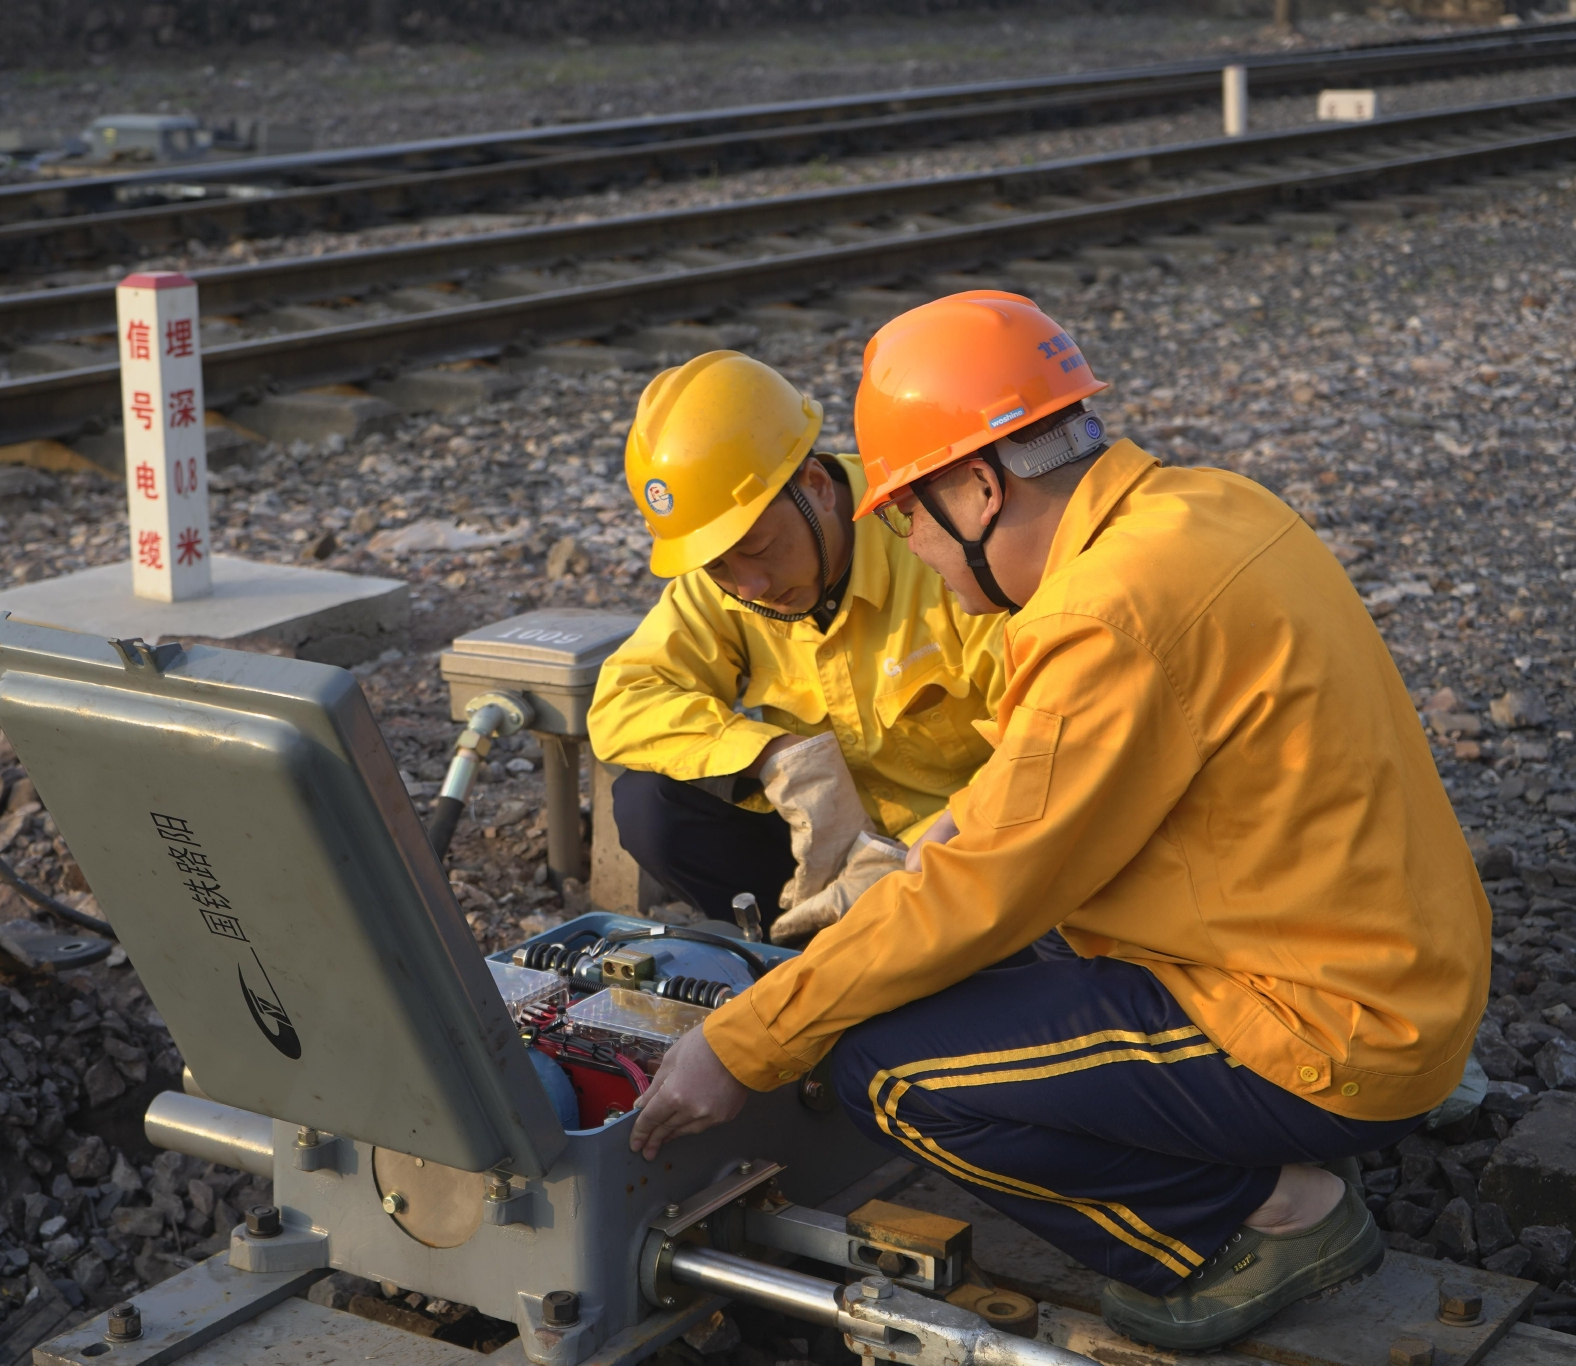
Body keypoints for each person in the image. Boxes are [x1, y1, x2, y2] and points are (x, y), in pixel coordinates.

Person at [625, 293, 1488, 1350]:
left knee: (887, 1074)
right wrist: (942, 840)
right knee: (951, 974)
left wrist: (740, 1042)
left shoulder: (1101, 613)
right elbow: (1037, 792)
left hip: (1326, 1033)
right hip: (1392, 975)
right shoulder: (1204, 507)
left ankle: (1262, 1222)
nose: (916, 556)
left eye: (906, 516)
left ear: (978, 487)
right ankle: (1241, 1154)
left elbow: (985, 895)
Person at [586, 350, 1006, 940]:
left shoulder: (933, 541)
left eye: (758, 548)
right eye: (718, 566)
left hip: (959, 856)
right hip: (822, 860)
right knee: (650, 806)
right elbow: (623, 701)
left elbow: (1045, 738)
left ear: (815, 486)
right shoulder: (728, 578)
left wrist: (933, 847)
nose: (748, 586)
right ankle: (800, 942)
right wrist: (774, 755)